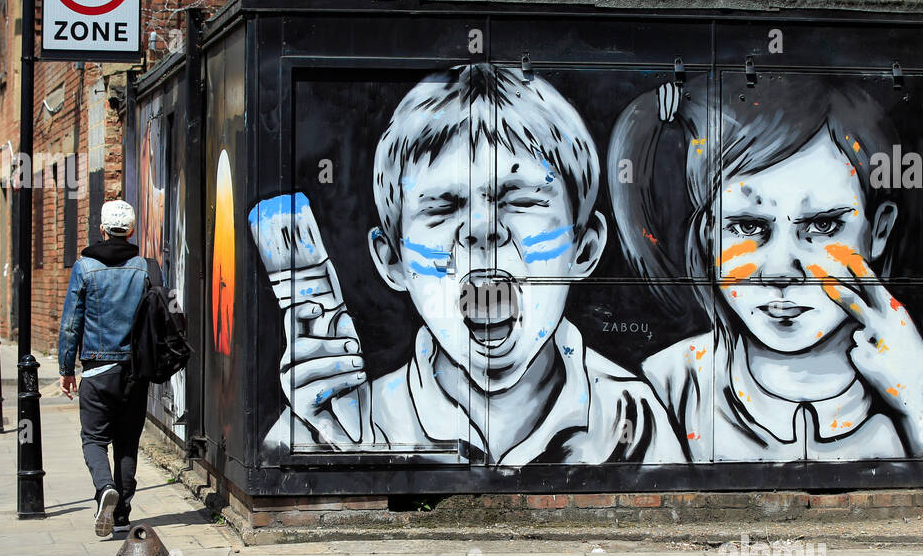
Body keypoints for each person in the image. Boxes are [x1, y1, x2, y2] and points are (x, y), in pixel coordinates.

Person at [257, 63, 683, 465]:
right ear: (393, 260)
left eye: (520, 199)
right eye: (444, 206)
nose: (482, 229)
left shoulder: (631, 419)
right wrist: (310, 430)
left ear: (584, 250)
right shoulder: (356, 419)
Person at [607, 78, 923, 462]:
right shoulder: (666, 388)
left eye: (823, 226)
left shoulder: (911, 387)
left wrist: (919, 399)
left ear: (878, 230)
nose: (781, 271)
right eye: (748, 227)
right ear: (710, 235)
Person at [58, 199, 152, 537]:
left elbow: (71, 323)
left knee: (94, 439)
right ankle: (123, 515)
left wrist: (66, 368)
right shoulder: (145, 268)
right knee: (127, 443)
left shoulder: (85, 267)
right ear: (130, 231)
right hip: (134, 372)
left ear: (101, 229)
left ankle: (104, 488)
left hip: (98, 370)